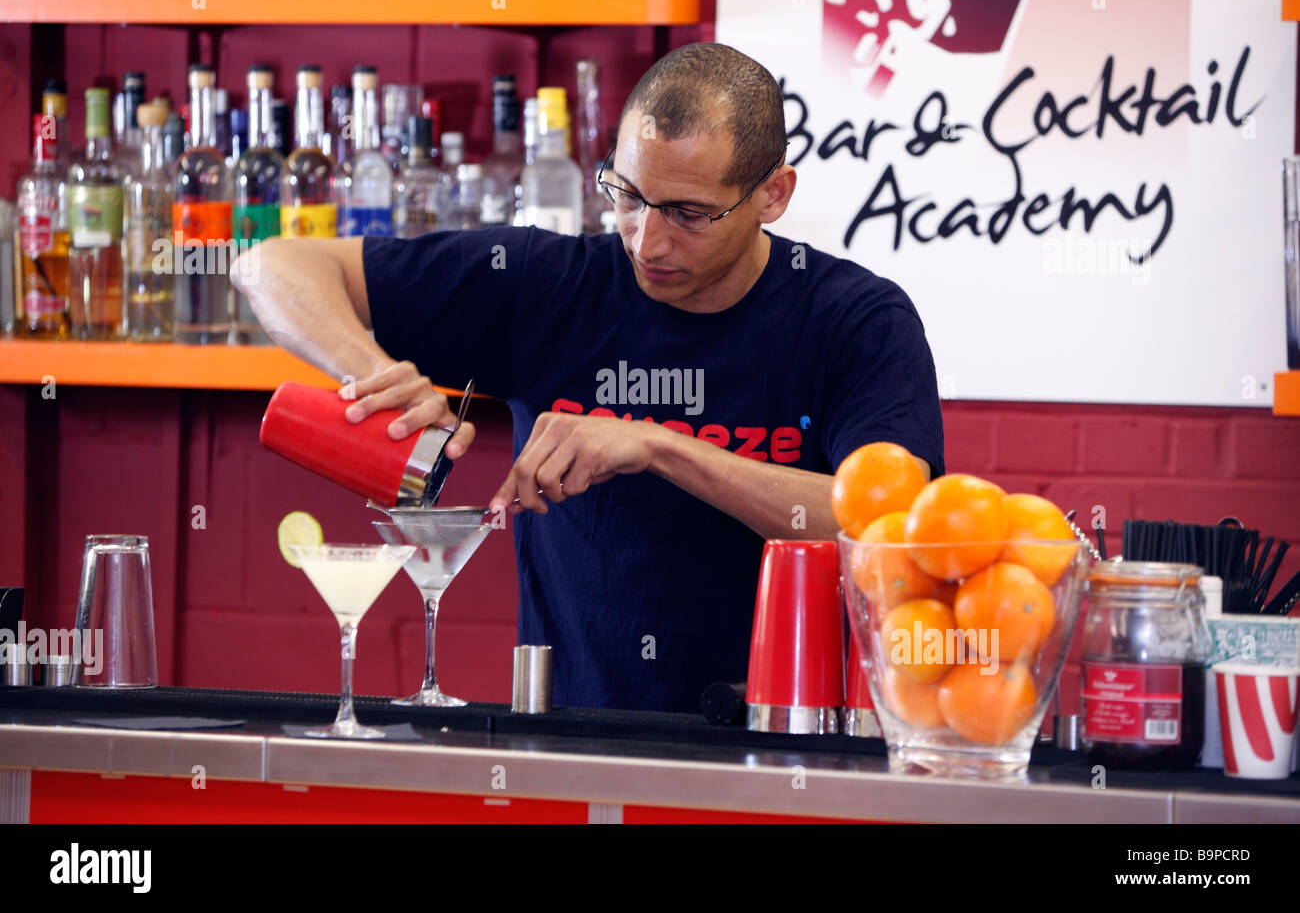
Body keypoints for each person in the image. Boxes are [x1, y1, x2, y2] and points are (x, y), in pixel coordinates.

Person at [233, 42, 944, 713]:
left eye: (688, 214)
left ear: (773, 194)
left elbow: (892, 528)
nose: (647, 240)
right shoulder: (542, 284)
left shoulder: (855, 319)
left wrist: (657, 446)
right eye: (626, 195)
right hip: (568, 740)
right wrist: (376, 372)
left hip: (786, 743)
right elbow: (269, 265)